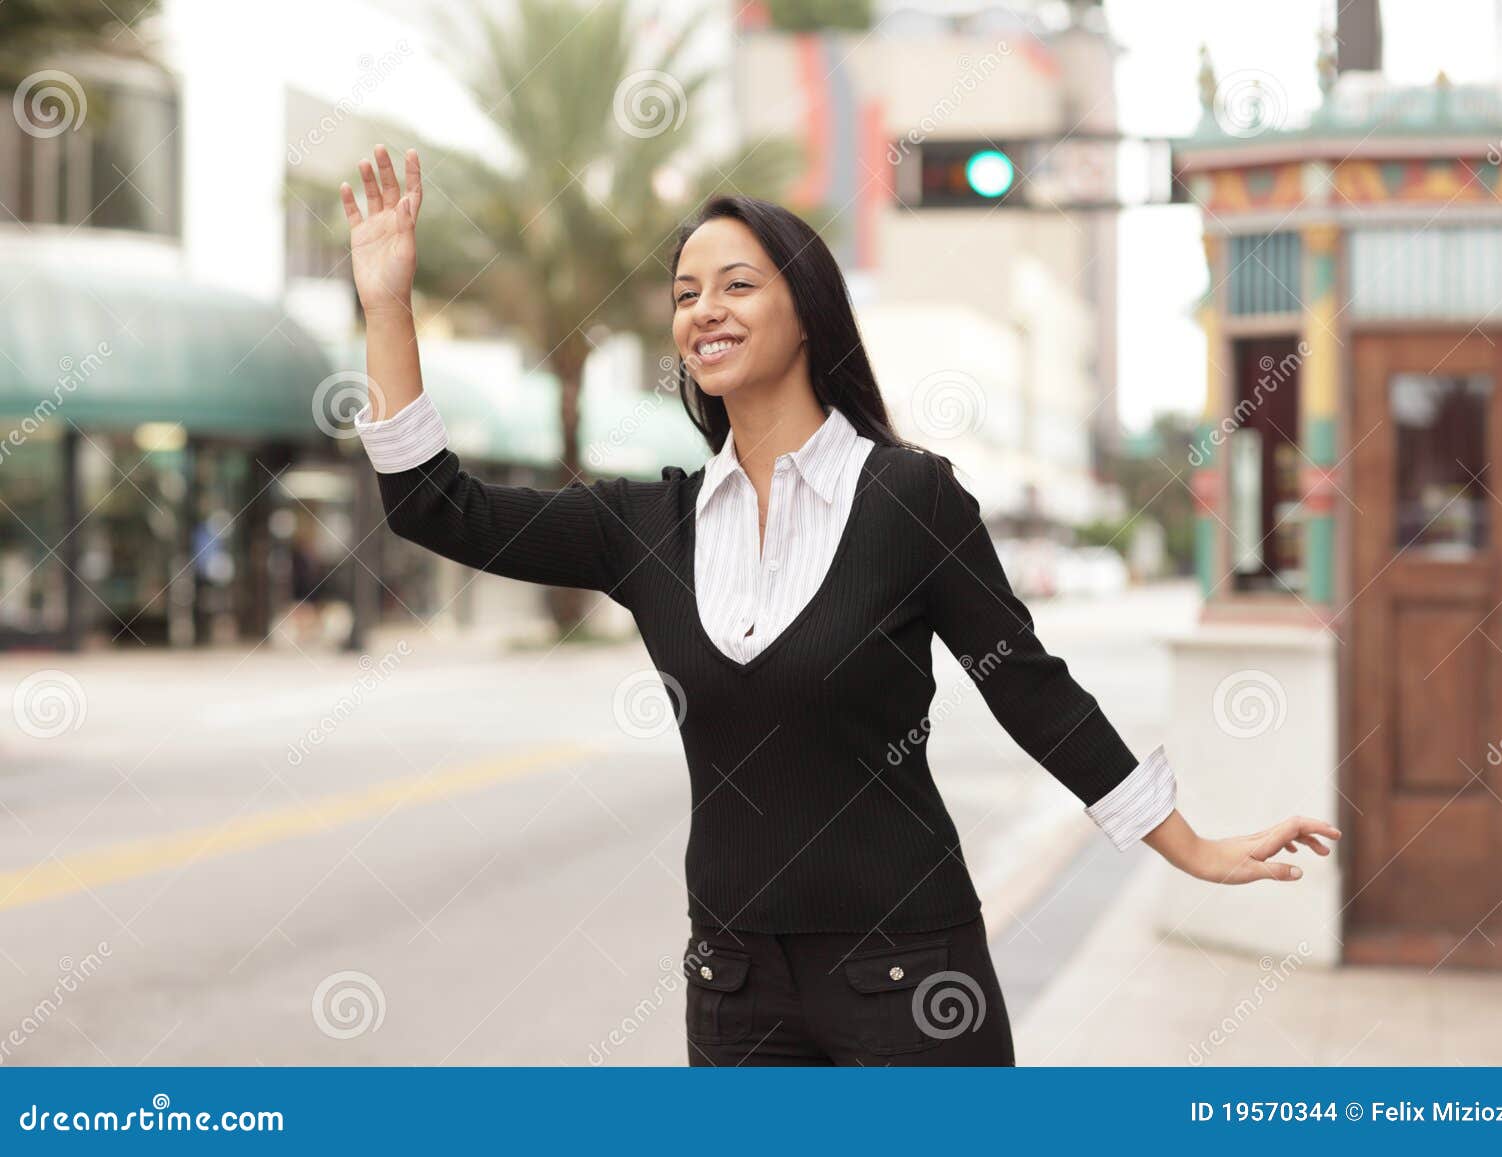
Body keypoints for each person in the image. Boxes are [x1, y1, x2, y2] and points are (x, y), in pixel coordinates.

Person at [339, 145, 1341, 1067]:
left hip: (908, 973)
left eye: (737, 284)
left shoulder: (911, 499)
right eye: (686, 293)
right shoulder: (645, 525)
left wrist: (1188, 843)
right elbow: (436, 506)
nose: (704, 310)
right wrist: (388, 302)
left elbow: (1027, 688)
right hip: (734, 986)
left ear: (808, 310)